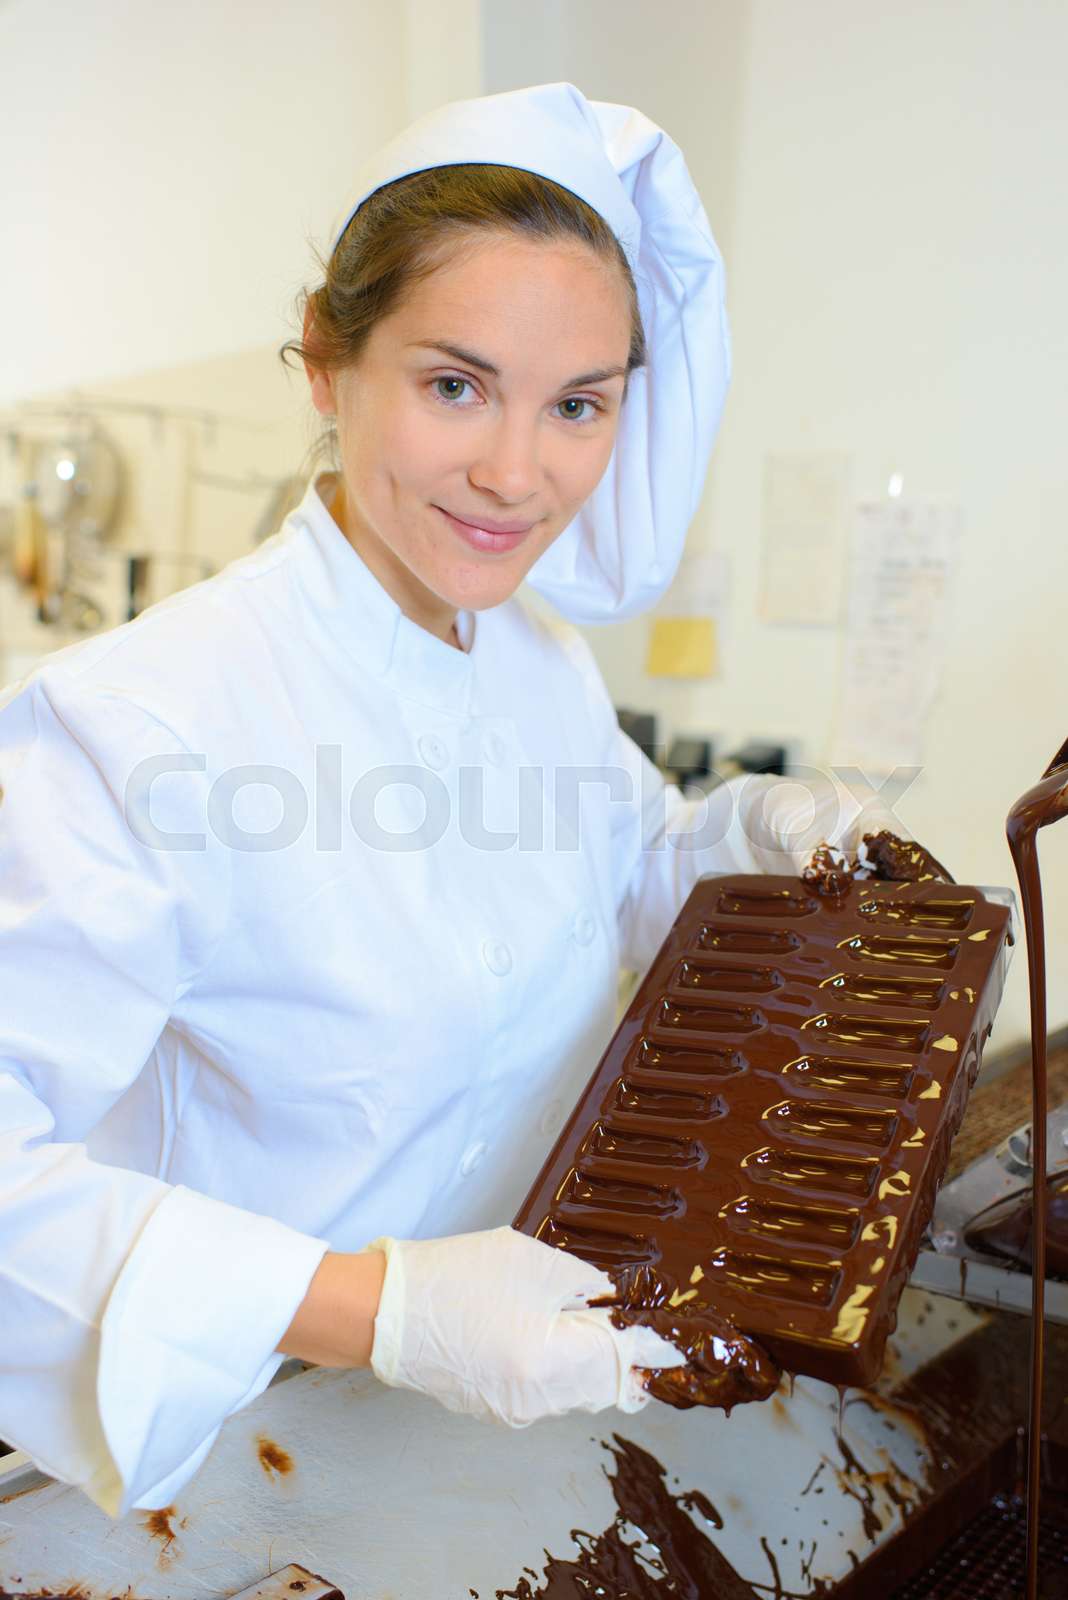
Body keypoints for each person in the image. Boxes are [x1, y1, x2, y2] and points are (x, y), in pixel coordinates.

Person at [0, 83, 899, 1519]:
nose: (515, 473)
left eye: (578, 407)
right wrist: (390, 1315)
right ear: (325, 361)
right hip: (235, 1456)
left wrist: (745, 840)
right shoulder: (142, 724)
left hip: (510, 1418)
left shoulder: (533, 655)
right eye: (455, 385)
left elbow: (607, 883)